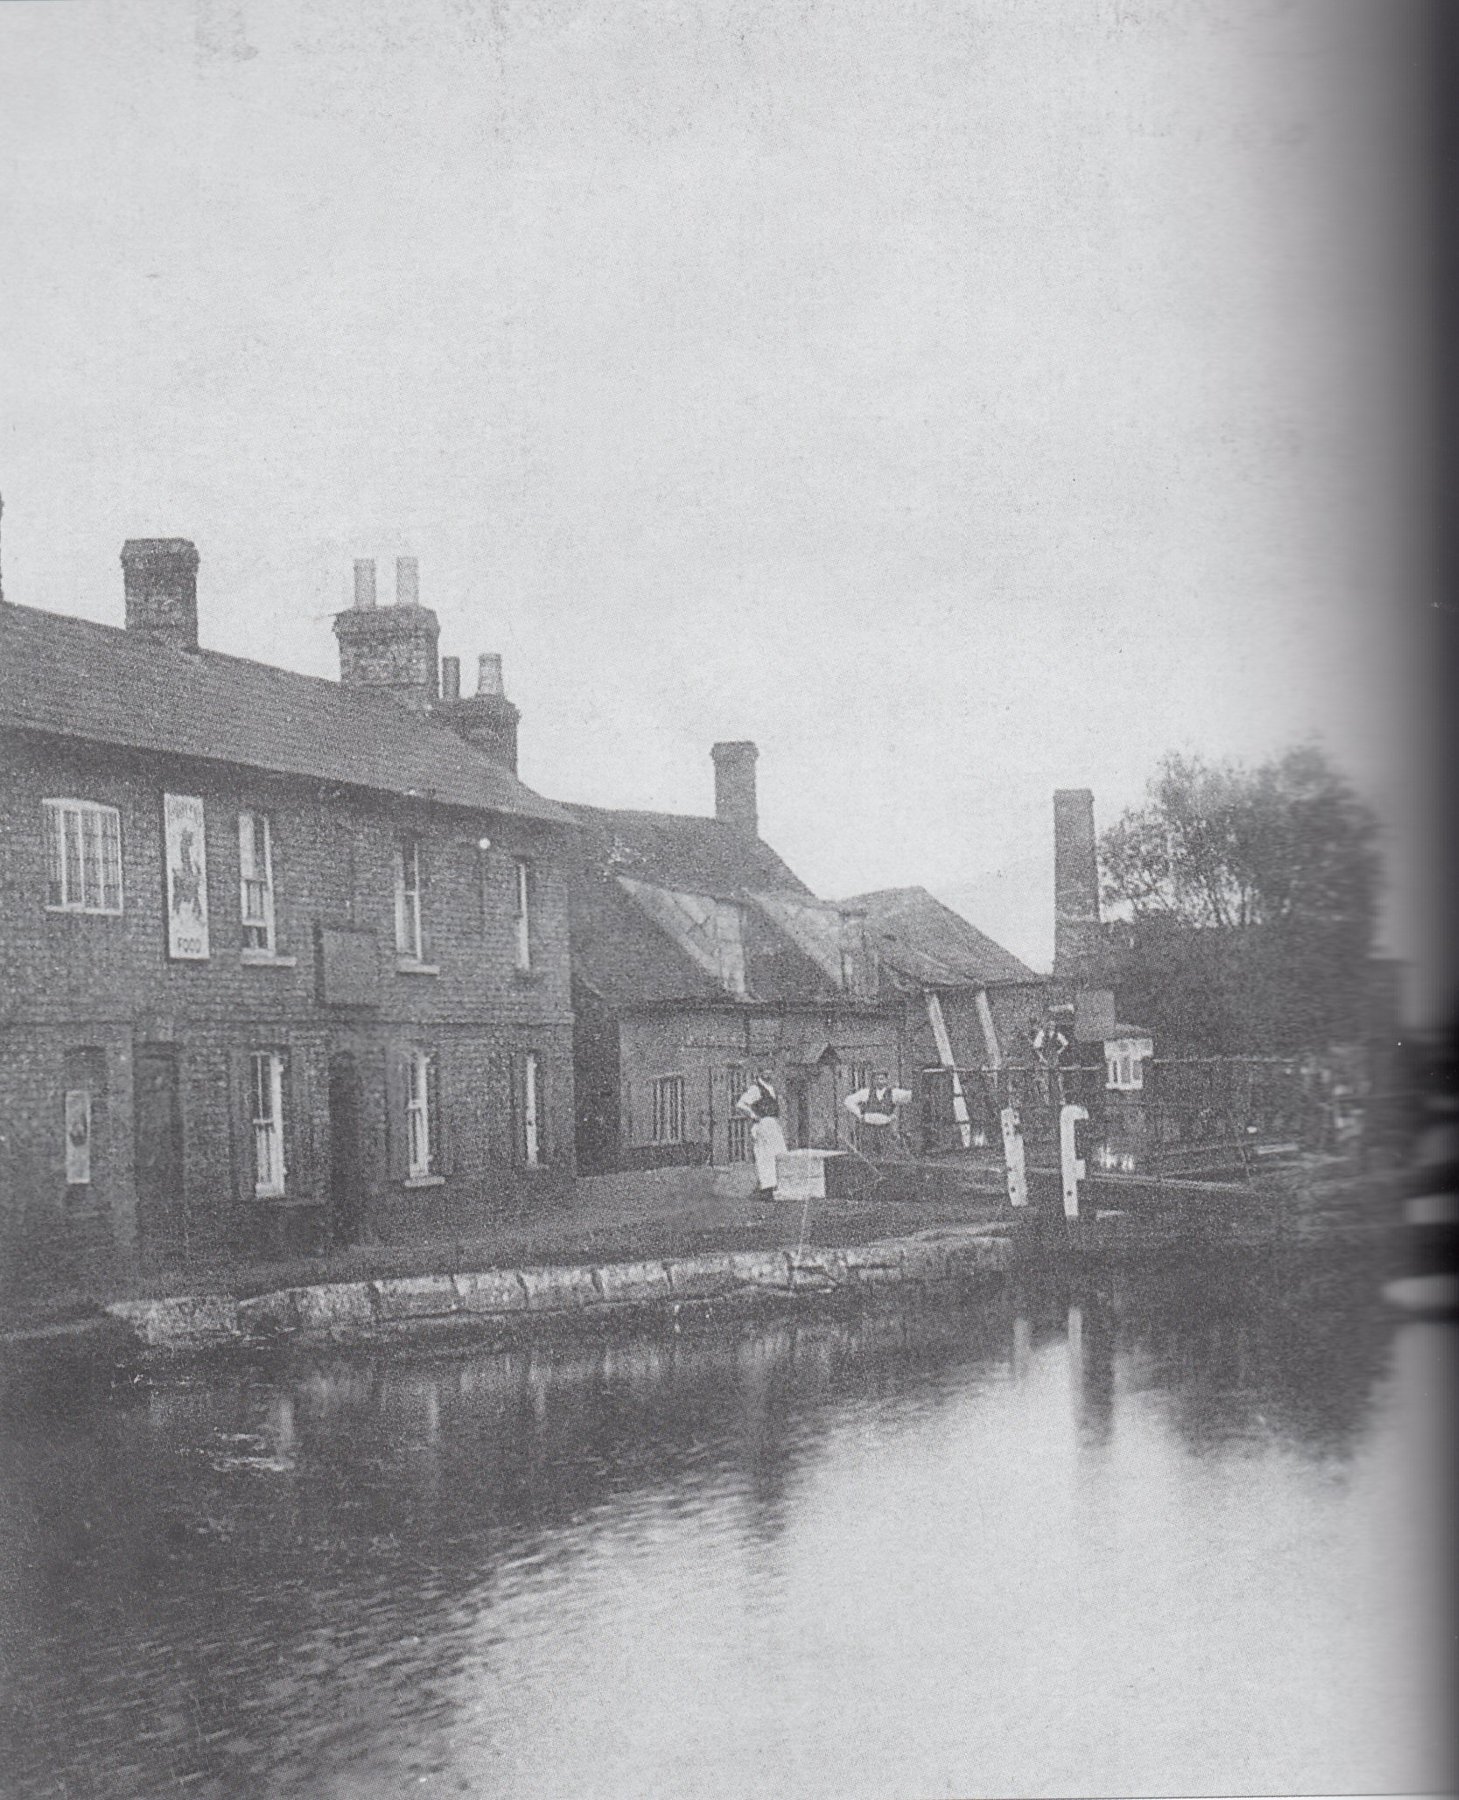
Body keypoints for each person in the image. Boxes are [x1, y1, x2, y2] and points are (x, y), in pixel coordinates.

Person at [735, 1073, 788, 1203]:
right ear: (760, 1072)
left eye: (771, 1070)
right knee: (765, 1156)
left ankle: (776, 1187)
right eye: (765, 1070)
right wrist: (753, 1115)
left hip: (773, 1124)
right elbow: (741, 1105)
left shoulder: (771, 1088)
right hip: (763, 1124)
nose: (769, 1073)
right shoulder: (756, 1089)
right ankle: (766, 1189)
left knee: (779, 1153)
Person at [844, 1071, 913, 1158]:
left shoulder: (894, 1093)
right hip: (869, 1129)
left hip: (885, 1129)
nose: (879, 1081)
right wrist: (859, 1114)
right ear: (873, 1081)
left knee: (887, 1154)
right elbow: (848, 1101)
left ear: (886, 1080)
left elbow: (909, 1096)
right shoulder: (866, 1093)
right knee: (868, 1154)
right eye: (876, 1079)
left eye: (882, 1079)